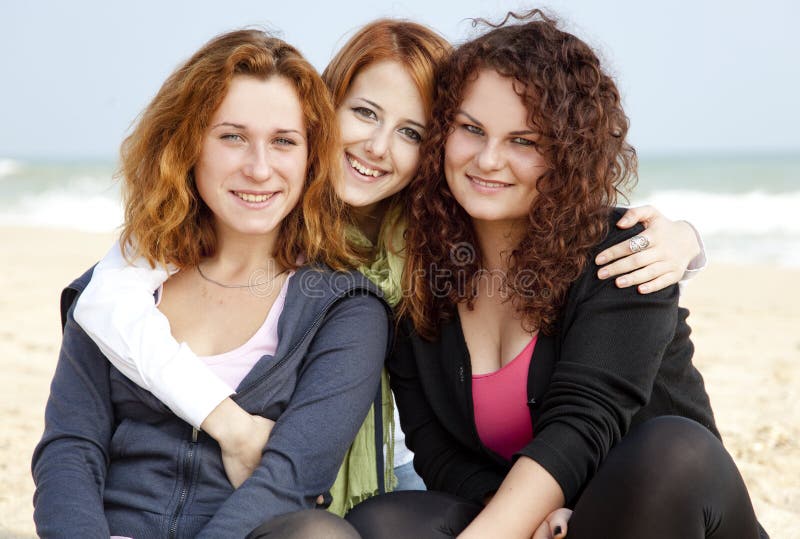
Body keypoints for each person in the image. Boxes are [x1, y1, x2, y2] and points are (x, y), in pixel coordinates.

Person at [72, 17, 706, 515]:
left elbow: (564, 253)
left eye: (410, 131)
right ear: (326, 108)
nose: (378, 148)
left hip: (389, 470)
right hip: (259, 466)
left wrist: (685, 240)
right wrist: (231, 427)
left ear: (431, 148)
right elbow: (98, 300)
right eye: (366, 113)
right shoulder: (265, 202)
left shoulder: (426, 246)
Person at [344, 10, 766, 539]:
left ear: (567, 154)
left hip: (664, 513)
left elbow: (584, 421)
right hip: (545, 526)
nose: (488, 159)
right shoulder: (425, 275)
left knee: (670, 451)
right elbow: (435, 450)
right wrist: (532, 516)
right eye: (471, 129)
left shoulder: (623, 253)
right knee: (381, 524)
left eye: (524, 141)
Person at [32, 29, 389, 538]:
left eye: (284, 142)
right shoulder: (116, 292)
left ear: (311, 157)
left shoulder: (345, 309)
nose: (259, 168)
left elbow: (289, 480)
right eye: (232, 136)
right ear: (187, 145)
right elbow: (70, 449)